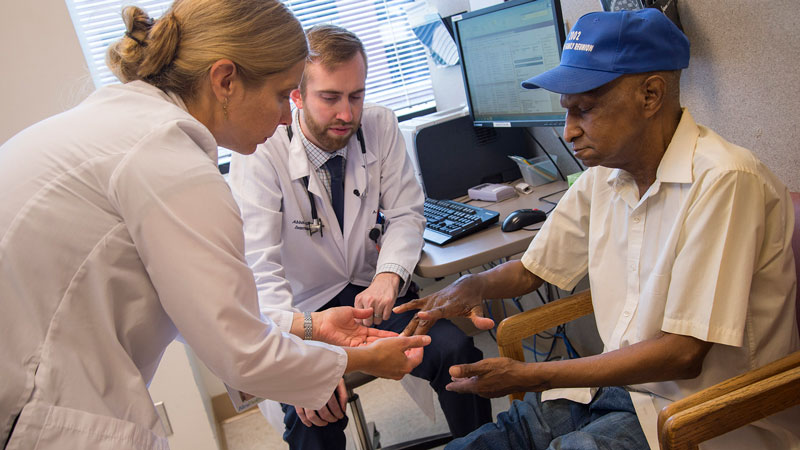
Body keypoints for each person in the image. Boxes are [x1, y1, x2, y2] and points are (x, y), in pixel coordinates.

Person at [0, 2, 432, 449]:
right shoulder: (169, 162)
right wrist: (356, 359)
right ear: (225, 80)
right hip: (33, 406)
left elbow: (203, 312)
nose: (288, 118)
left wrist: (309, 328)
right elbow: (240, 352)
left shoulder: (129, 123)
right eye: (283, 94)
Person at [397, 9, 800, 450]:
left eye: (584, 109)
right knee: (492, 439)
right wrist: (473, 284)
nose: (569, 131)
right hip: (621, 390)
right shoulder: (604, 176)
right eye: (567, 111)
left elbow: (684, 354)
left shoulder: (725, 182)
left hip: (703, 417)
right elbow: (536, 269)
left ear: (650, 95)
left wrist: (536, 375)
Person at [228, 24, 491, 449]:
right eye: (330, 97)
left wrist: (388, 275)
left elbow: (407, 213)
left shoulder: (379, 126)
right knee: (314, 412)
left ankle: (481, 444)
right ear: (296, 95)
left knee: (455, 352)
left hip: (372, 293)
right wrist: (298, 358)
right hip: (303, 310)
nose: (347, 114)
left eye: (356, 95)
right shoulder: (260, 150)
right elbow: (258, 267)